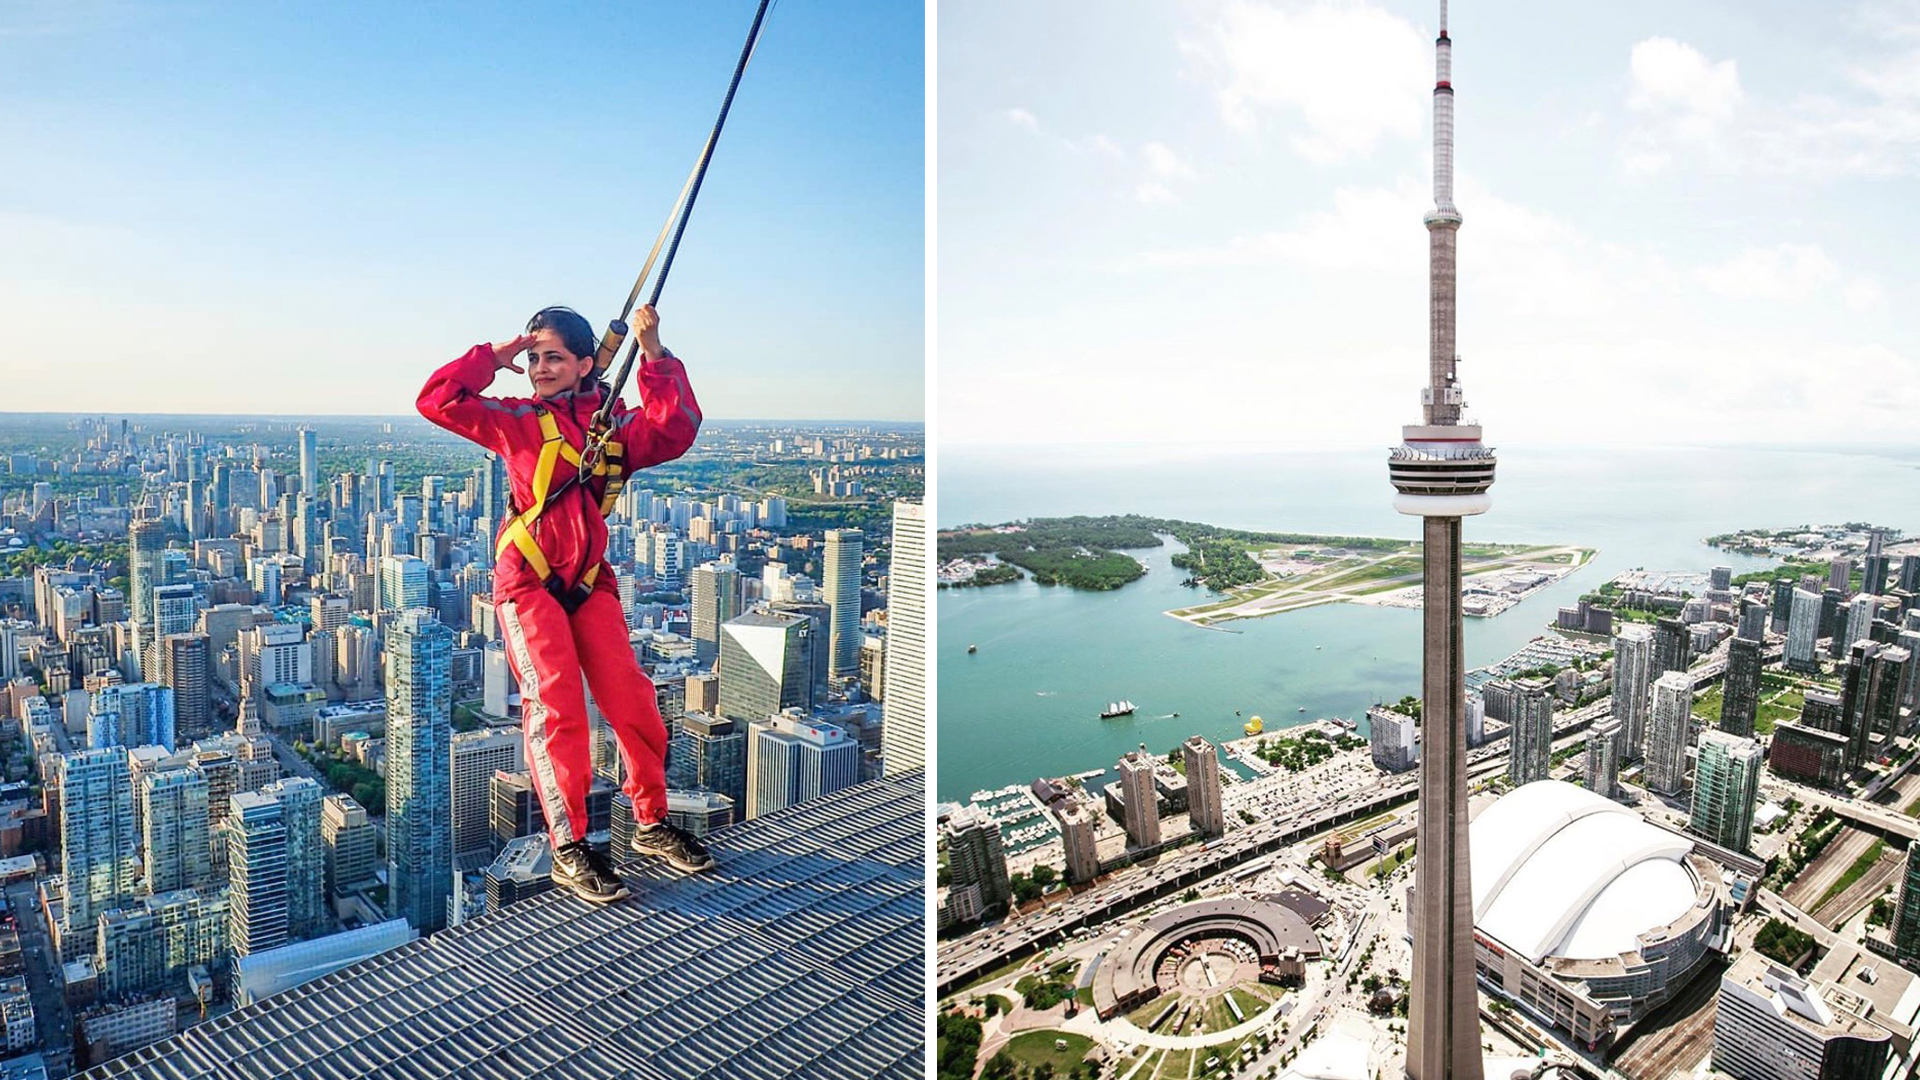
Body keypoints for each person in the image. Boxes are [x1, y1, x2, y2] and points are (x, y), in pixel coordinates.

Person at [417, 303, 713, 904]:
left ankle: (651, 821)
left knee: (633, 700)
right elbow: (438, 400)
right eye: (534, 359)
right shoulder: (518, 421)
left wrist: (653, 351)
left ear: (585, 363)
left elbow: (675, 429)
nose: (539, 368)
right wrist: (494, 357)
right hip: (526, 579)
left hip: (586, 578)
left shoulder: (614, 427)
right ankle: (569, 849)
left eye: (553, 357)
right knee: (556, 706)